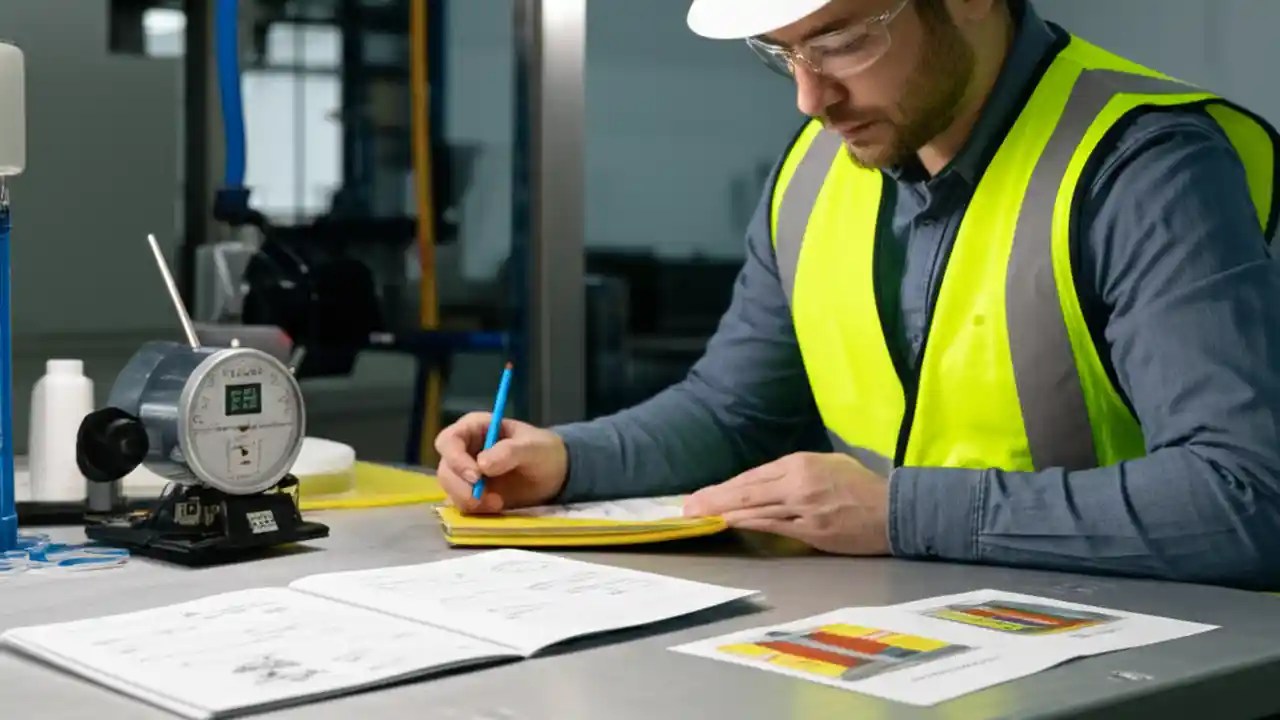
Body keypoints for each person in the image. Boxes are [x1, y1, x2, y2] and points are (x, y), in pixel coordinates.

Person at [435, 0, 1280, 589]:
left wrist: (899, 514)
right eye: (782, 53)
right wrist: (567, 460)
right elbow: (732, 412)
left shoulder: (1147, 169)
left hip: (1139, 655)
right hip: (910, 647)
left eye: (840, 41)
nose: (811, 98)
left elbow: (1243, 499)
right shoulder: (813, 175)